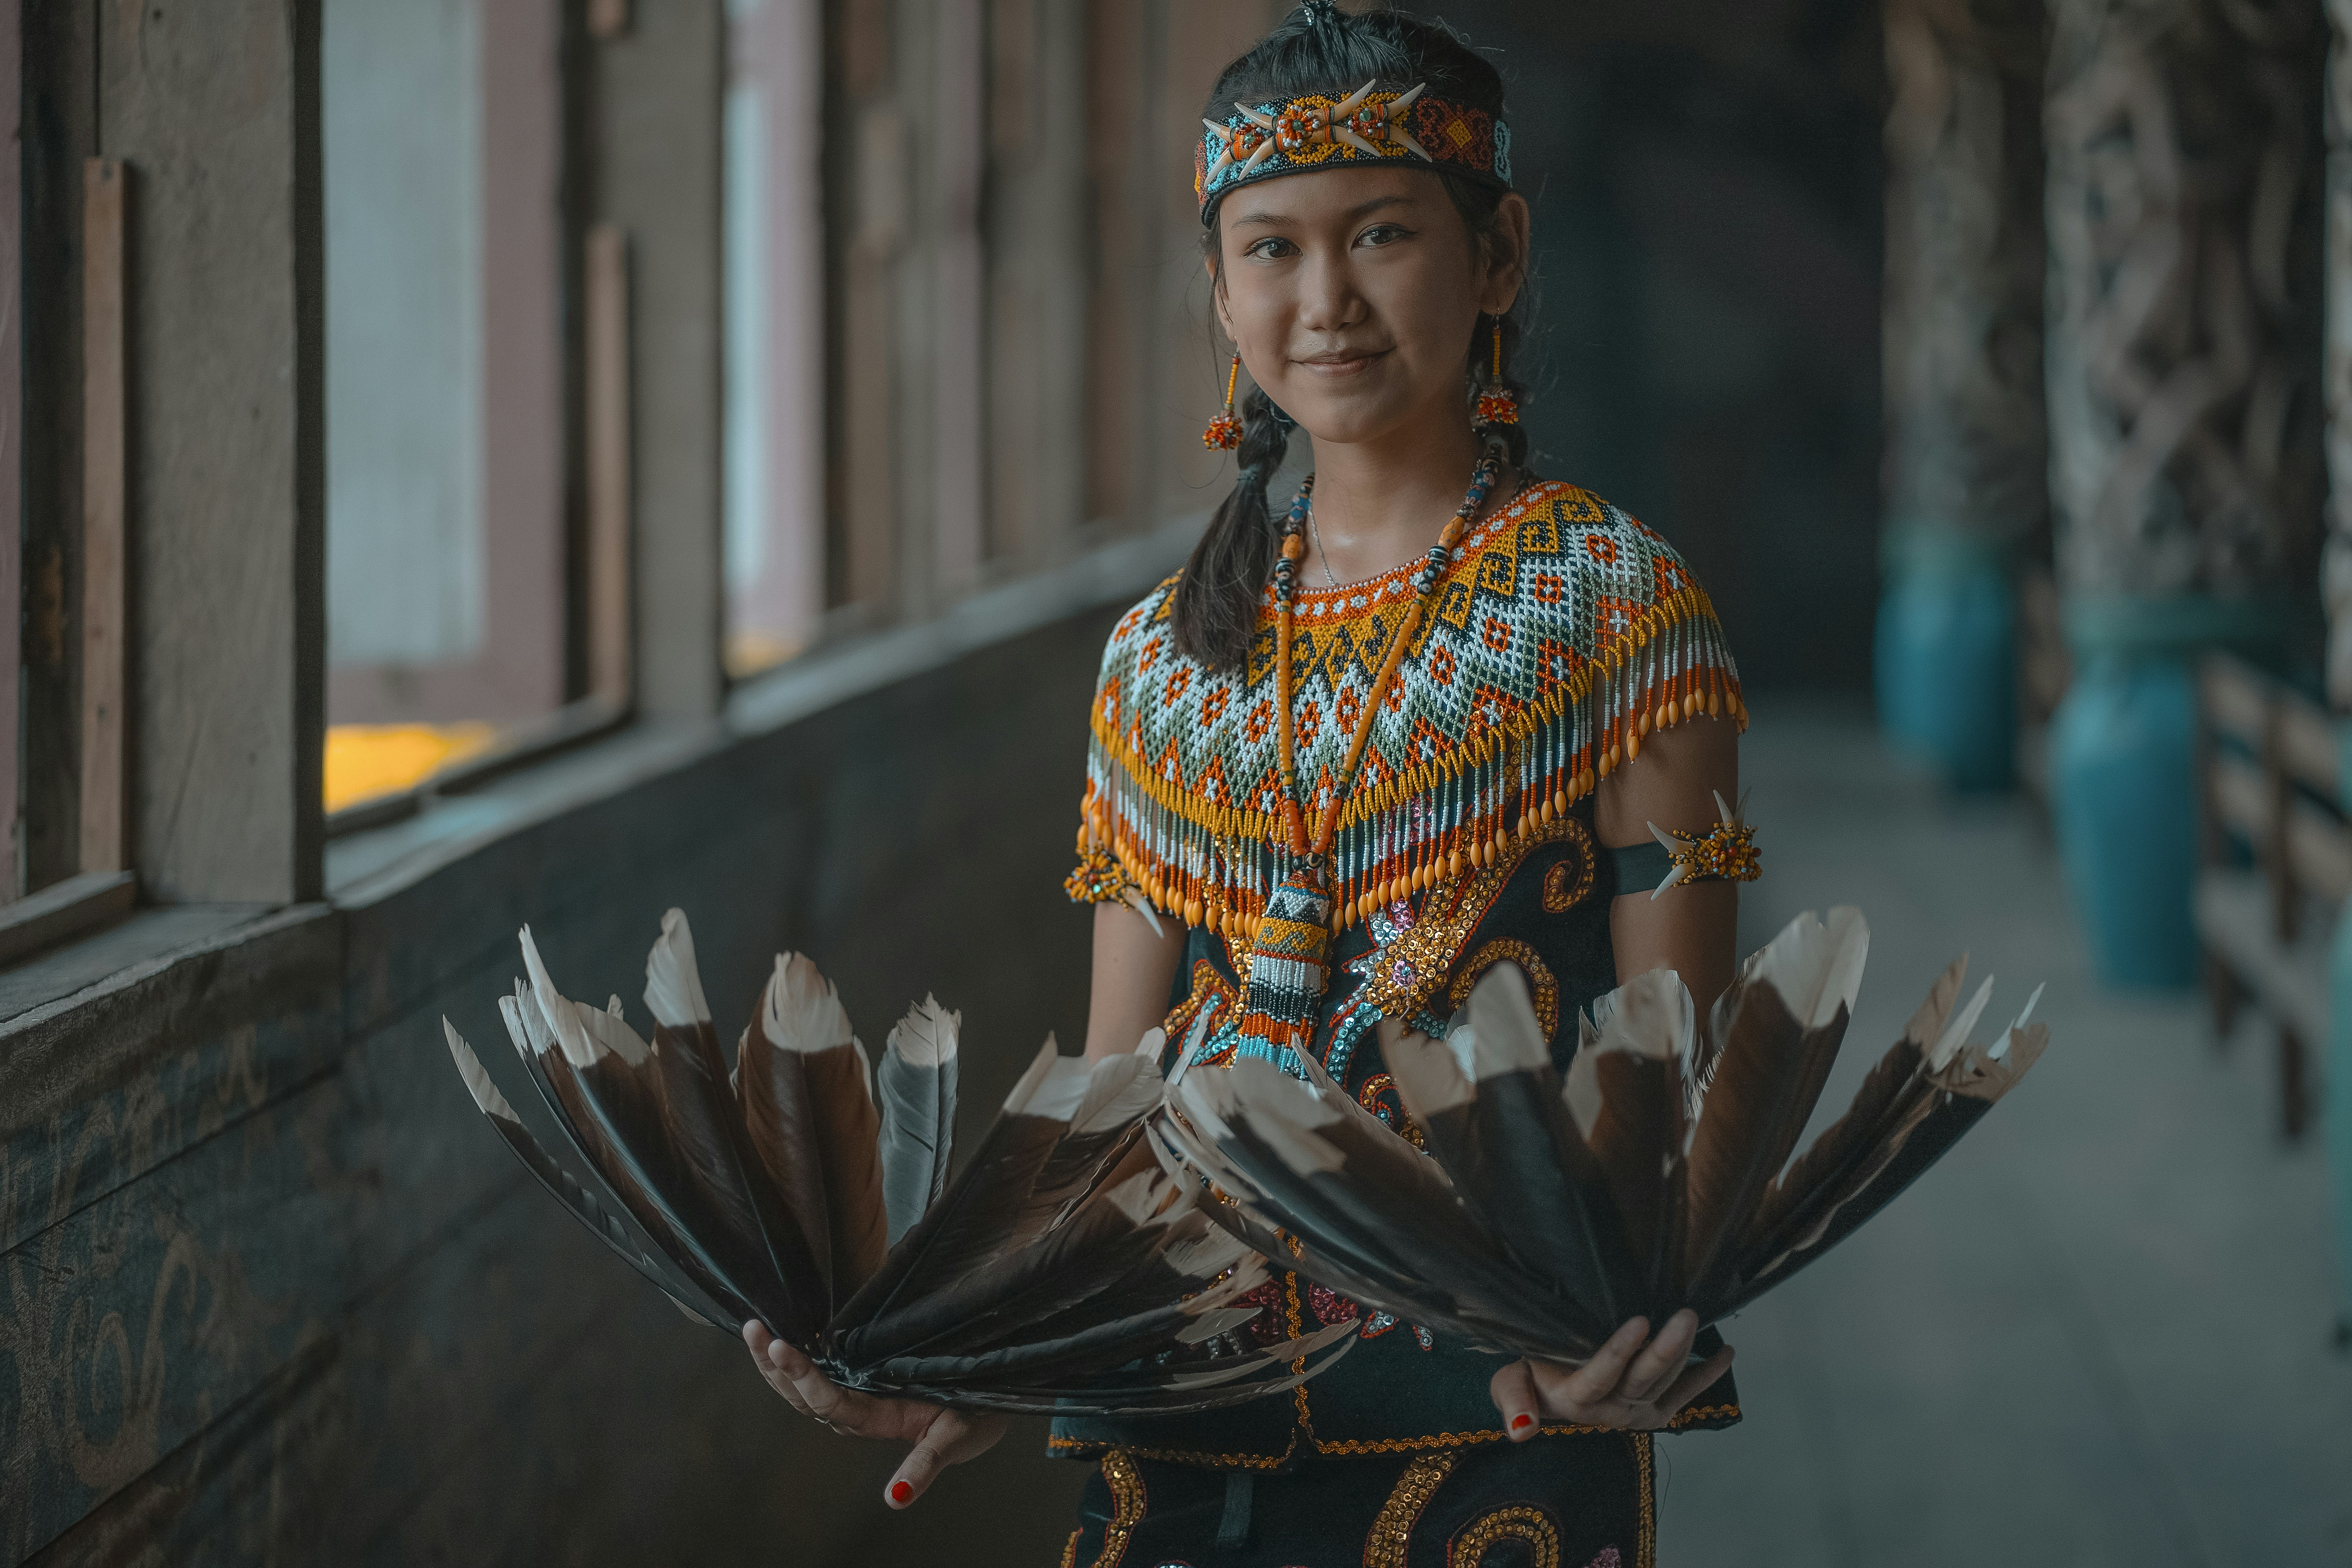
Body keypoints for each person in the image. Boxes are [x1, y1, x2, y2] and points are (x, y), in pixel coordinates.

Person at [744, 5, 1748, 1561]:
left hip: (1500, 1418)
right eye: (1269, 249)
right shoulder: (1161, 658)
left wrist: (1624, 1320)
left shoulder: (1615, 613)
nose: (1325, 299)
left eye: (1381, 234)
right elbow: (1114, 1097)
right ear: (1217, 294)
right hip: (1166, 1423)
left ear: (1496, 258)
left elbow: (1672, 1084)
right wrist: (977, 1347)